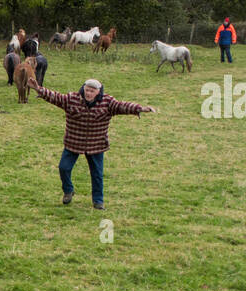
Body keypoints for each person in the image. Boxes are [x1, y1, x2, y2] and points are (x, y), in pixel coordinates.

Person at [28, 76, 156, 210]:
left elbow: (122, 106)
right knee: (63, 168)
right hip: (74, 141)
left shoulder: (108, 102)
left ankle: (98, 201)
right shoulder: (72, 99)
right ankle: (68, 190)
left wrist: (140, 108)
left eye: (92, 91)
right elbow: (56, 97)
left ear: (98, 92)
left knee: (97, 174)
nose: (88, 93)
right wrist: (38, 89)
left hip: (96, 144)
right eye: (86, 90)